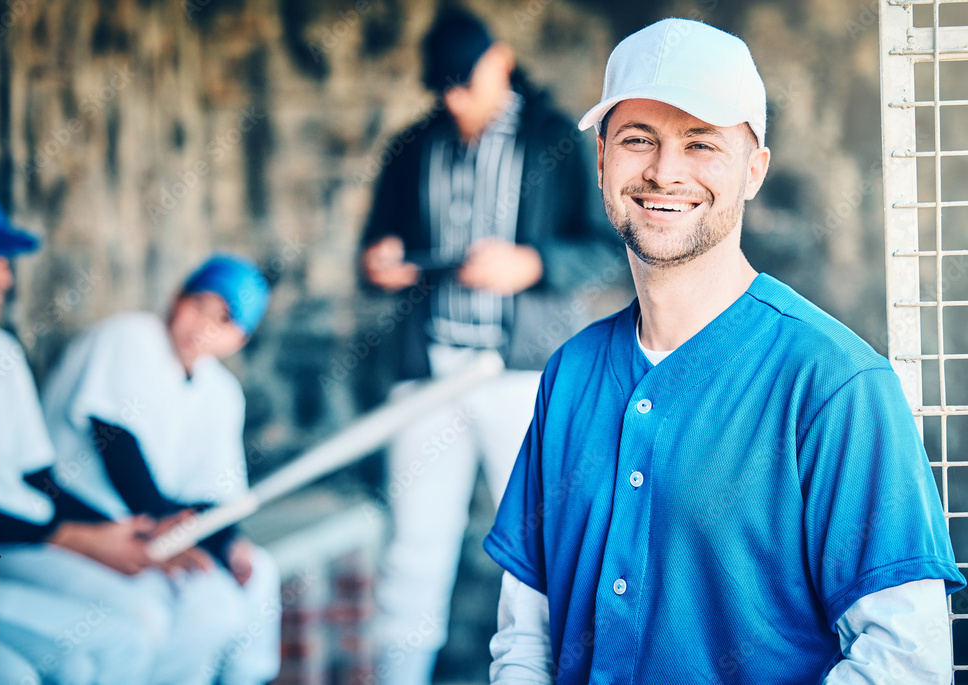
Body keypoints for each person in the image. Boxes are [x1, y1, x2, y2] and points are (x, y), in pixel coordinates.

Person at [484, 18, 962, 684]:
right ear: (600, 162)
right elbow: (524, 638)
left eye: (701, 142)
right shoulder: (569, 373)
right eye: (636, 139)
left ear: (754, 170)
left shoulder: (836, 385)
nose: (663, 171)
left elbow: (905, 658)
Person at [359, 9, 620, 684]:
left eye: (463, 84)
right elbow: (380, 244)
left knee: (545, 552)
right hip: (428, 371)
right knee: (413, 551)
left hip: (520, 377)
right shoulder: (413, 145)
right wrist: (381, 261)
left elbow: (604, 250)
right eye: (441, 88)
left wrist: (530, 264)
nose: (453, 101)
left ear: (500, 62)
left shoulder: (555, 140)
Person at [41, 253, 282, 685]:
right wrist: (169, 531)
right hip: (74, 523)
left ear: (240, 339)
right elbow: (116, 446)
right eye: (199, 305)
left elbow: (215, 493)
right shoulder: (129, 336)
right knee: (182, 607)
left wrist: (226, 543)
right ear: (176, 299)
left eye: (224, 319)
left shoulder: (222, 391)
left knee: (254, 576)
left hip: (149, 527)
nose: (204, 325)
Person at [0, 185, 167, 684]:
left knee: (112, 639)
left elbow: (36, 477)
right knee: (43, 665)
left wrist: (114, 529)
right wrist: (72, 537)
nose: (4, 278)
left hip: (17, 540)